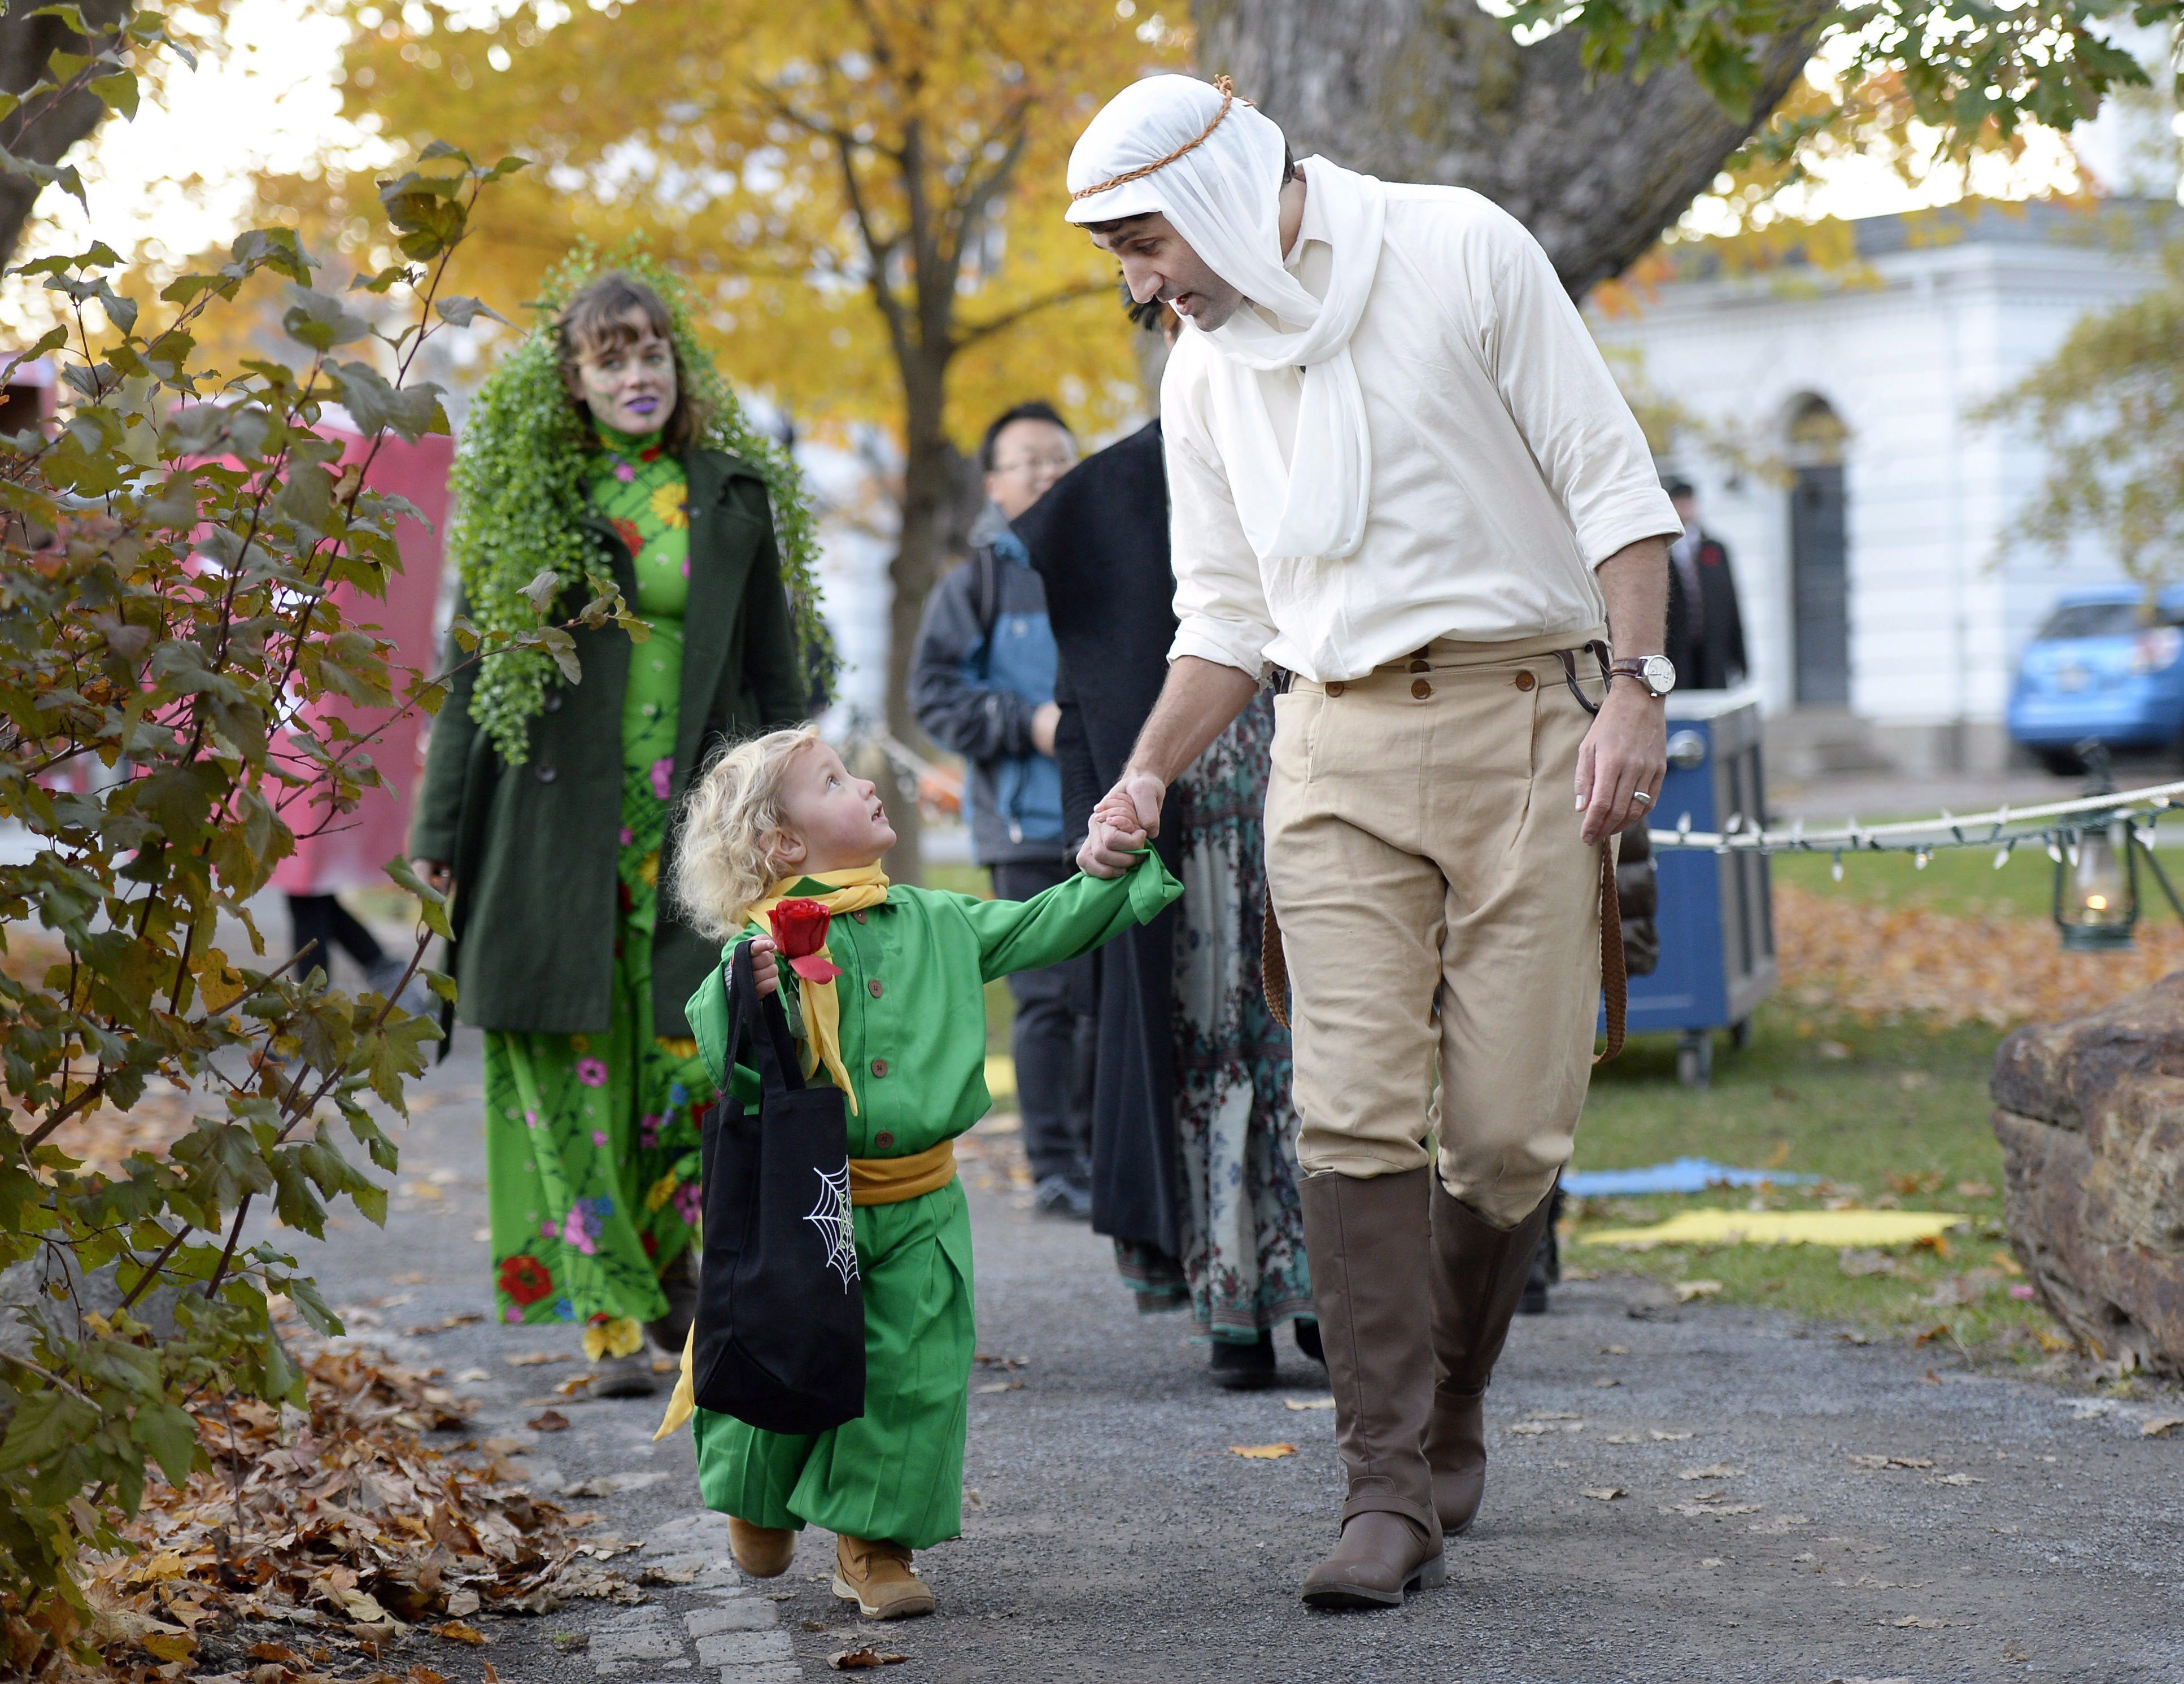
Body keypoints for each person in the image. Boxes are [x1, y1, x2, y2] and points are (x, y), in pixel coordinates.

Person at [1066, 75, 1679, 1607]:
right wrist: (1145, 772)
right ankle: (1383, 1485)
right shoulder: (1202, 376)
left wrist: (1637, 696)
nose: (1144, 285)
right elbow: (1225, 617)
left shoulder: (1455, 247)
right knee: (1345, 1104)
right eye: (1122, 257)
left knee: (1505, 1132)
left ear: (1214, 193)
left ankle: (1453, 1404)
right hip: (1328, 743)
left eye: (1147, 242)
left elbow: (1614, 486)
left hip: (1528, 724)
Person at [657, 726, 1182, 1618]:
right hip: (804, 1199)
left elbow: (1044, 921)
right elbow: (725, 1052)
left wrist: (1103, 865)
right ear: (784, 843)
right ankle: (754, 1492)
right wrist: (753, 984)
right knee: (777, 1345)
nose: (864, 784)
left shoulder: (939, 920)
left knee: (912, 1372)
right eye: (832, 781)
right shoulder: (762, 944)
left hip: (920, 1201)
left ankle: (871, 1543)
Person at [411, 268, 810, 1398]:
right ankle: (610, 1309)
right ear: (574, 380)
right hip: (549, 828)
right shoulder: (529, 504)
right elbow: (470, 673)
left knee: (682, 1063)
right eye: (610, 358)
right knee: (563, 1057)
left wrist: (789, 805)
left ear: (676, 371)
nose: (635, 376)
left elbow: (775, 677)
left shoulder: (730, 496)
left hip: (692, 834)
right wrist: (440, 825)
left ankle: (680, 1273)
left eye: (650, 355)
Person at [1018, 295, 1319, 1390]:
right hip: (1190, 831)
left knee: (1329, 1049)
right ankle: (1232, 1300)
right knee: (1216, 1051)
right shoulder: (1102, 504)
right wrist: (1092, 846)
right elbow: (1085, 696)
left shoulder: (1324, 429)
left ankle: (1330, 1296)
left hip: (1325, 798)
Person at [910, 402, 1097, 1220]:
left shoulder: (1110, 565)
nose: (1047, 471)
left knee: (1104, 996)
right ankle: (1054, 1164)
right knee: (1049, 997)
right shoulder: (976, 580)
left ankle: (1101, 1156)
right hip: (1023, 825)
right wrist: (1028, 724)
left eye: (1059, 457)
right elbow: (934, 696)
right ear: (993, 482)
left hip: (1110, 817)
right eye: (1028, 460)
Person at [1663, 477, 1748, 692]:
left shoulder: (1715, 549)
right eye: (1679, 503)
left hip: (1712, 651)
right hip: (1677, 653)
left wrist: (1739, 658)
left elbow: (1730, 603)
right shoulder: (1662, 552)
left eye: (1688, 502)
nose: (1685, 508)